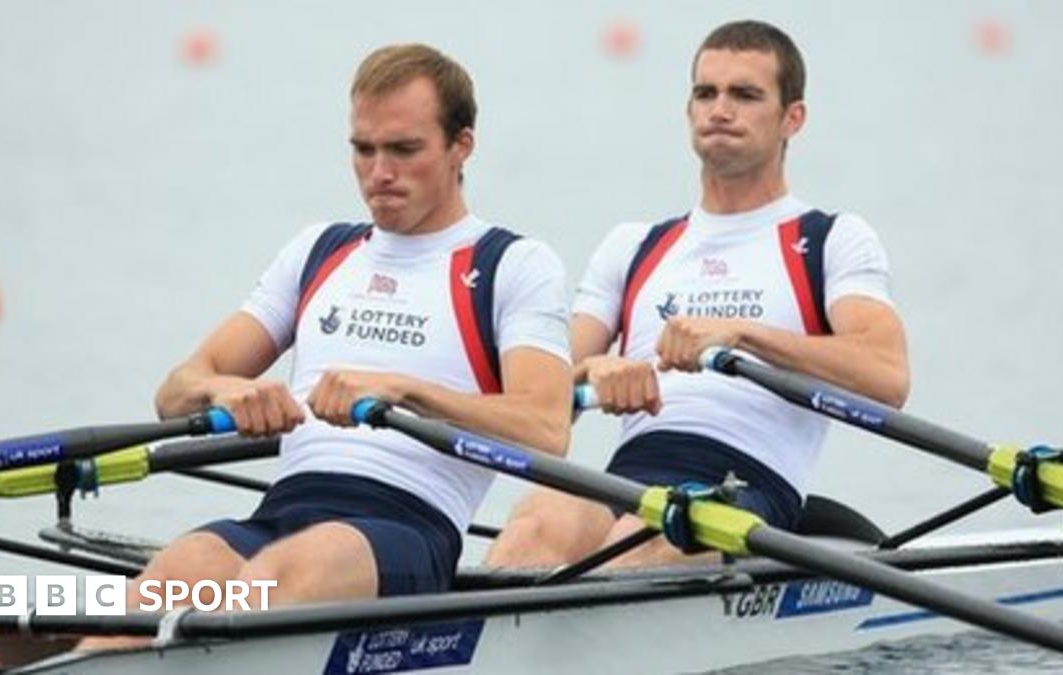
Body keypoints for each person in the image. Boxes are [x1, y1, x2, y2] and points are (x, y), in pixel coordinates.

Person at [89, 43, 572, 633]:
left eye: (403, 150)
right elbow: (174, 393)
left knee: (284, 577)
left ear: (461, 145)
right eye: (363, 150)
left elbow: (547, 430)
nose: (379, 173)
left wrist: (405, 391)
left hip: (403, 530)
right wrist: (225, 392)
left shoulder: (513, 265)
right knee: (173, 577)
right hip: (279, 516)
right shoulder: (320, 253)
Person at [485, 20, 910, 569]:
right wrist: (591, 372)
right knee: (538, 522)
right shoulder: (635, 245)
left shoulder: (827, 240)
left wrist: (742, 334)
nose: (720, 109)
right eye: (705, 93)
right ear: (689, 111)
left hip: (744, 486)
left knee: (638, 541)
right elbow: (535, 401)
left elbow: (889, 376)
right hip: (629, 474)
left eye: (745, 95)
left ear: (792, 118)